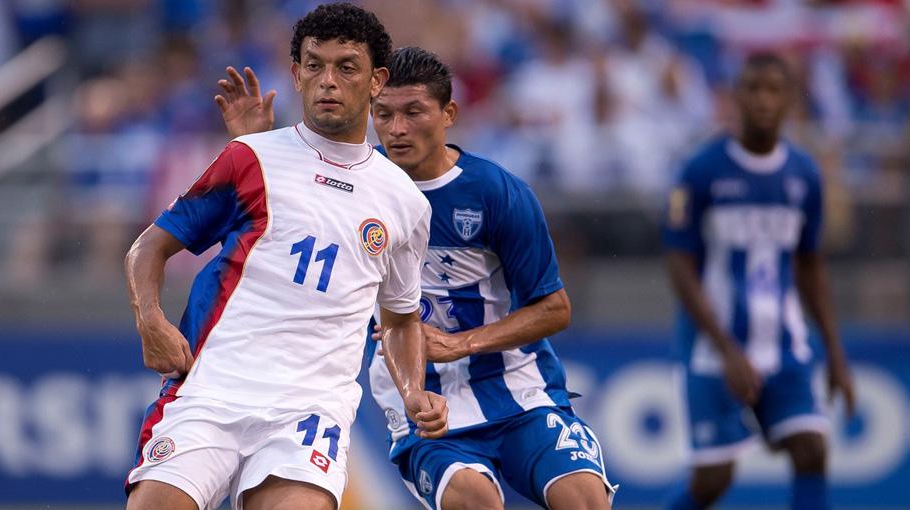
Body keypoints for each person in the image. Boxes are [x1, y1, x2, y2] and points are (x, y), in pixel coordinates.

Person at [216, 47, 615, 510]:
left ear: (449, 113)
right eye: (382, 114)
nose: (396, 129)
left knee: (585, 501)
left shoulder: (497, 193)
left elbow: (554, 308)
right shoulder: (353, 183)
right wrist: (258, 151)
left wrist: (459, 344)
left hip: (520, 391)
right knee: (476, 501)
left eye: (413, 112)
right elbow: (276, 221)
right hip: (420, 401)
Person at [123, 4, 448, 510]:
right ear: (296, 73)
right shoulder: (251, 156)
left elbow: (401, 319)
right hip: (211, 389)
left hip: (309, 410)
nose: (327, 81)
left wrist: (411, 391)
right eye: (314, 65)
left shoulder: (404, 202)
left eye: (346, 67)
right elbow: (150, 246)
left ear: (377, 80)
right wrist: (150, 321)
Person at [661, 53, 856, 510]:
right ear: (736, 96)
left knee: (812, 450)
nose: (763, 100)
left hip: (784, 344)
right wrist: (728, 349)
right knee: (713, 480)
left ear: (790, 99)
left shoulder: (805, 174)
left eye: (773, 90)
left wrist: (836, 354)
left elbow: (811, 266)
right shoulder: (700, 171)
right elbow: (678, 264)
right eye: (752, 89)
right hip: (714, 350)